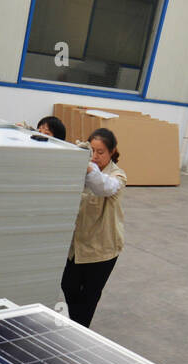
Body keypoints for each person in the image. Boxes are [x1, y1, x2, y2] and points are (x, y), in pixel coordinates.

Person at [61, 127, 125, 329]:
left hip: (101, 250)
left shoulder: (117, 176)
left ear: (112, 151)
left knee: (88, 298)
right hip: (76, 246)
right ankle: (75, 326)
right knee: (68, 287)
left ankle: (78, 334)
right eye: (92, 151)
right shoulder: (82, 169)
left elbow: (102, 187)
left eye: (101, 152)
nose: (95, 156)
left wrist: (88, 168)